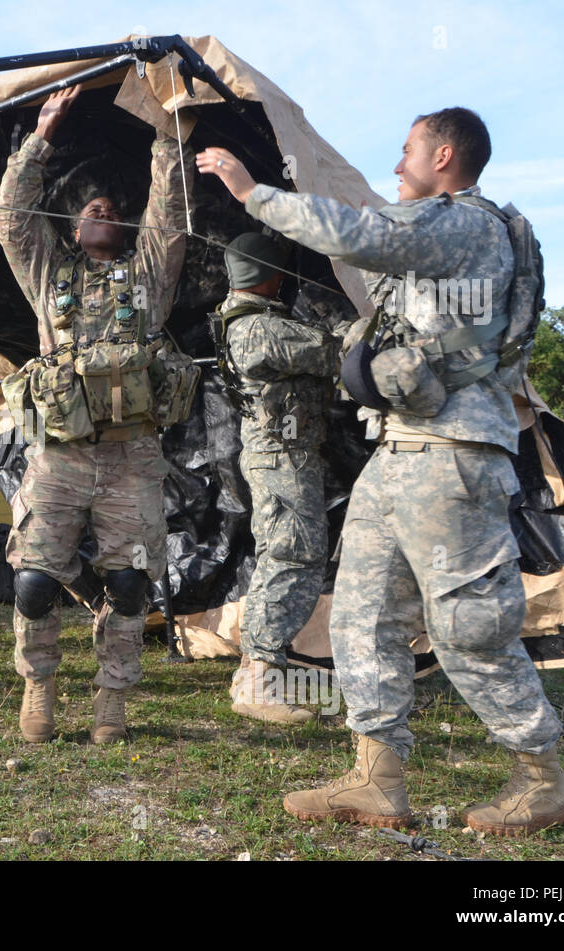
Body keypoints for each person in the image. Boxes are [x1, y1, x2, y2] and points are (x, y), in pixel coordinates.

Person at [199, 106, 564, 835]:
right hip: (399, 450)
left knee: (468, 626)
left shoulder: (464, 225)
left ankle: (543, 777)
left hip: (454, 458)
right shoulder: (432, 245)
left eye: (407, 151)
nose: (396, 164)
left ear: (443, 158)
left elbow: (358, 234)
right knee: (361, 612)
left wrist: (252, 193)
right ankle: (377, 776)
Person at [0, 86, 194, 744]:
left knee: (130, 582)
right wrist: (40, 137)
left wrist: (166, 135)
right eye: (90, 207)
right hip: (60, 455)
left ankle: (112, 697)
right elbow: (11, 217)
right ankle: (39, 685)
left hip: (131, 457)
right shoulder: (50, 272)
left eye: (113, 207)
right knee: (31, 580)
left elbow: (170, 215)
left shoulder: (146, 277)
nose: (102, 209)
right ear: (74, 228)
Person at [213, 234, 339, 723]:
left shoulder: (245, 320)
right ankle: (258, 679)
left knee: (281, 553)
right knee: (292, 555)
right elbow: (336, 352)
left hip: (280, 454)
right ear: (270, 276)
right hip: (283, 457)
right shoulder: (264, 330)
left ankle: (256, 672)